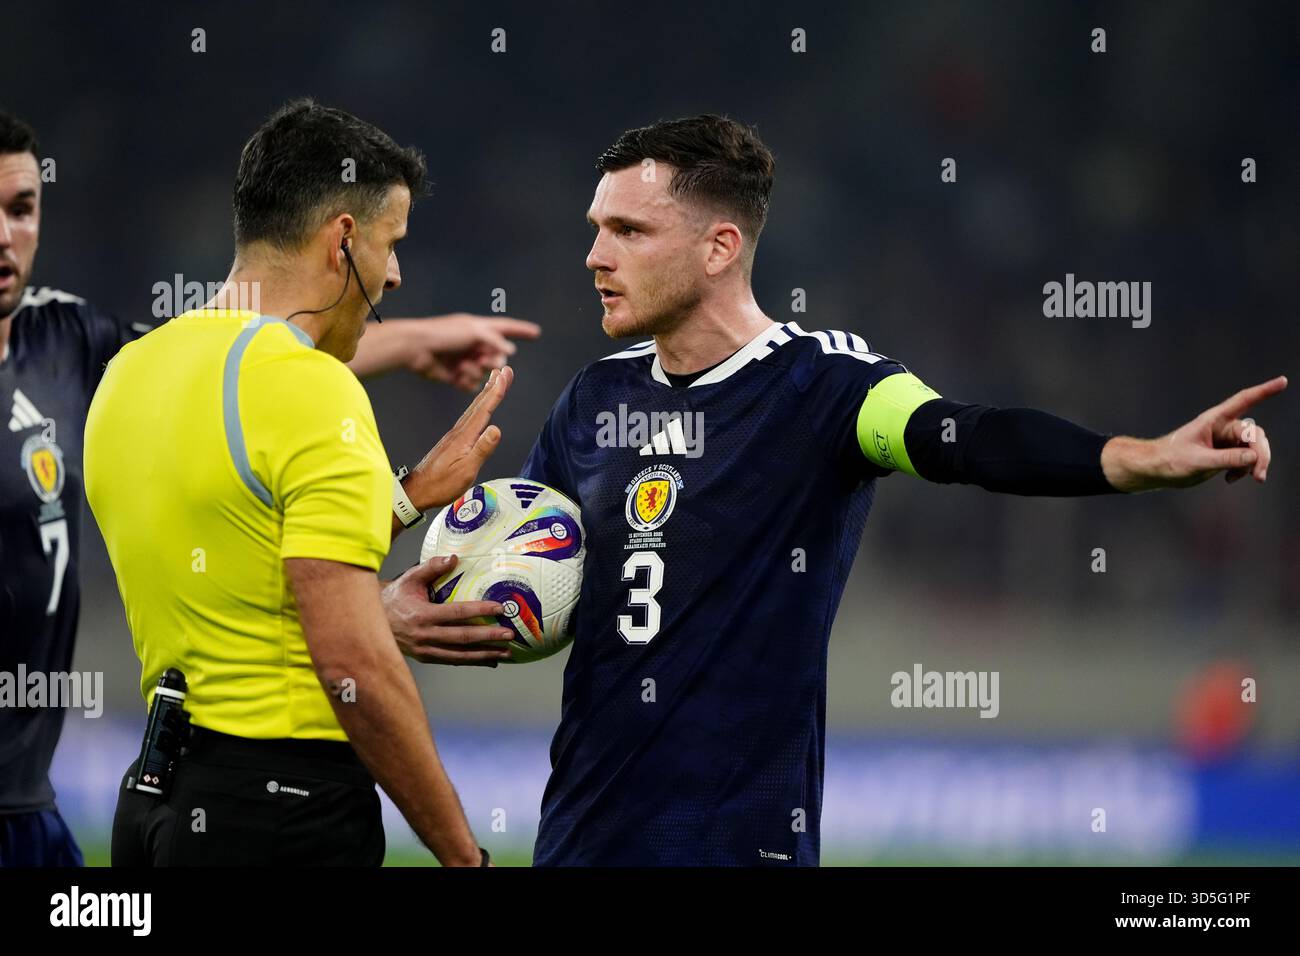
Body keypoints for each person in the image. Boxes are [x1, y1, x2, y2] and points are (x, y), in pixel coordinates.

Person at [517, 114, 1285, 865]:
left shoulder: (824, 386)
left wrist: (1139, 457)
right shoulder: (592, 401)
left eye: (628, 231)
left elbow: (971, 438)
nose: (594, 255)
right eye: (597, 227)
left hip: (736, 843)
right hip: (578, 839)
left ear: (719, 247)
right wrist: (413, 604)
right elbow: (522, 569)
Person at [84, 99, 516, 865]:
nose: (397, 273)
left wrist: (408, 496)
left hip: (154, 804)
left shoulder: (127, 375)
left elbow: (244, 564)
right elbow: (351, 662)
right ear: (343, 238)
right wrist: (463, 855)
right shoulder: (310, 387)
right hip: (280, 811)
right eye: (392, 243)